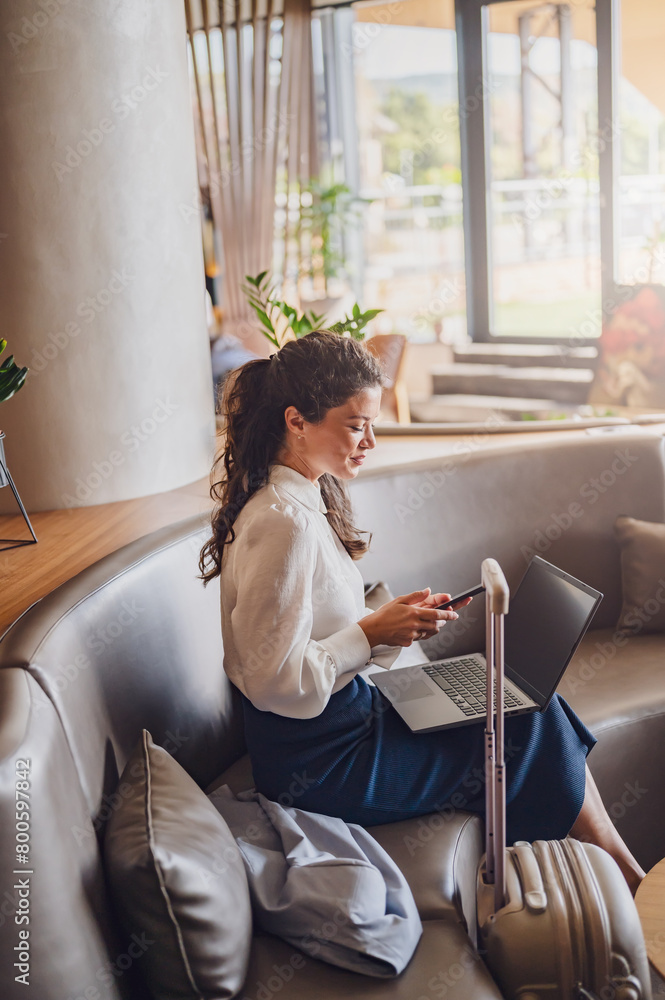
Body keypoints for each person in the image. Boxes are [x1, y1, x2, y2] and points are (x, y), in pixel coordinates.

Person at [199, 331, 645, 895]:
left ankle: (624, 876)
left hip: (349, 718)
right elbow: (271, 680)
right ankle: (626, 883)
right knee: (525, 713)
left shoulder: (302, 498)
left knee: (526, 699)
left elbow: (316, 631)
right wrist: (369, 632)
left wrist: (391, 625)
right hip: (320, 763)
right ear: (297, 421)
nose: (370, 441)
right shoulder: (282, 521)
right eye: (356, 424)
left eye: (372, 424)